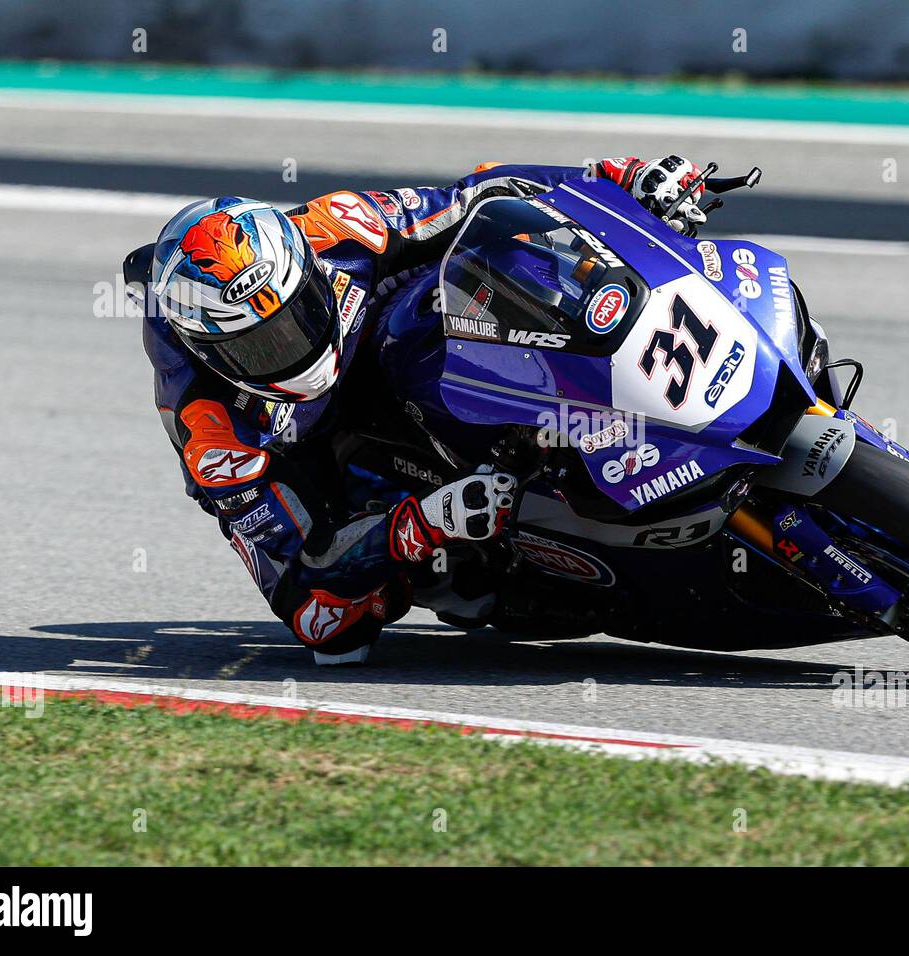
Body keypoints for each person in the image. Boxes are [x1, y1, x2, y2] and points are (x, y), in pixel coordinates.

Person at [123, 156, 707, 664]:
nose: (291, 347)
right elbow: (304, 575)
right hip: (316, 443)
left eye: (297, 315)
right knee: (331, 628)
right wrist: (424, 524)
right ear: (209, 352)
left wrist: (616, 178)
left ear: (306, 272)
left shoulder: (337, 228)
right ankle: (475, 548)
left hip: (397, 335)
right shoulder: (213, 429)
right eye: (261, 345)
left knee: (501, 257)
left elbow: (479, 194)